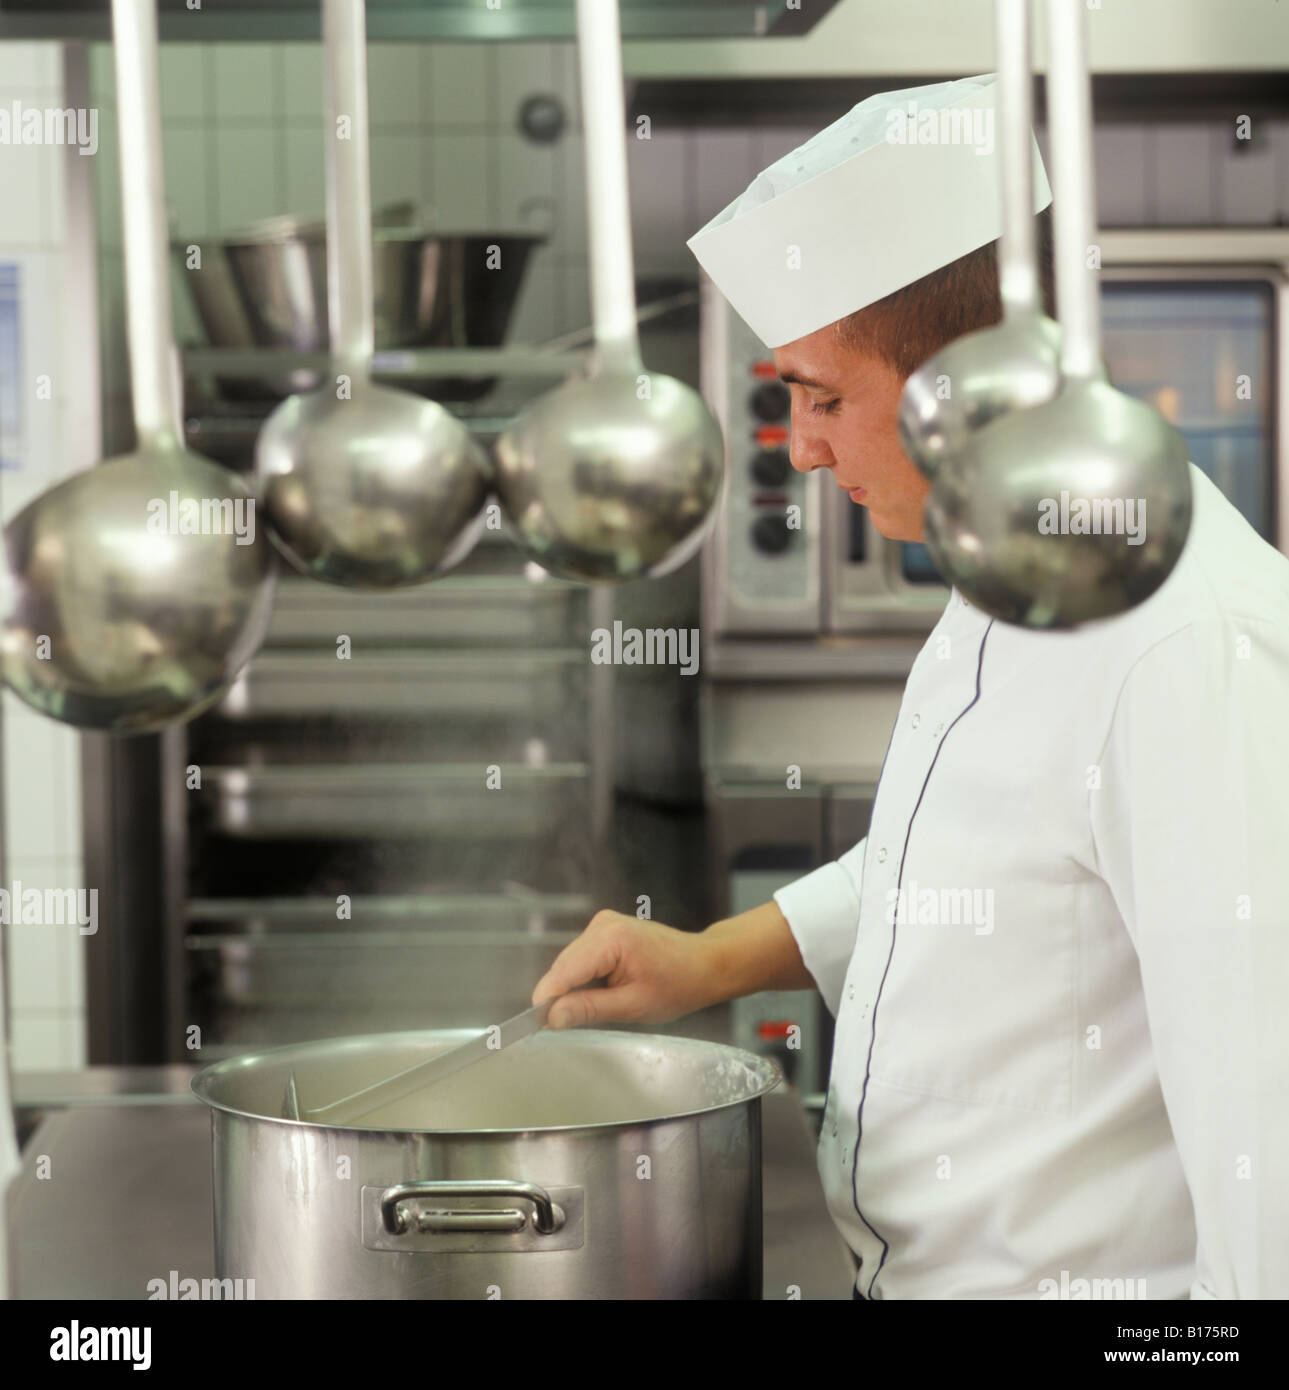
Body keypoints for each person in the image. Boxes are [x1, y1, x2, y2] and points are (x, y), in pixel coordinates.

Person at [534, 75, 1289, 1299]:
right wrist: (704, 960)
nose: (800, 446)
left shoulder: (1185, 645)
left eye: (824, 396)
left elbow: (1270, 1161)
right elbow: (961, 862)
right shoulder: (1013, 558)